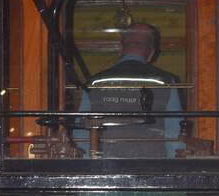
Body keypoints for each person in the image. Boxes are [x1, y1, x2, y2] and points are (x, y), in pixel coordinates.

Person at [73, 21, 184, 158]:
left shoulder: (94, 82)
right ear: (151, 53)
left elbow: (81, 135)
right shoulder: (166, 82)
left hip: (104, 166)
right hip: (151, 167)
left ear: (120, 48)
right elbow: (175, 135)